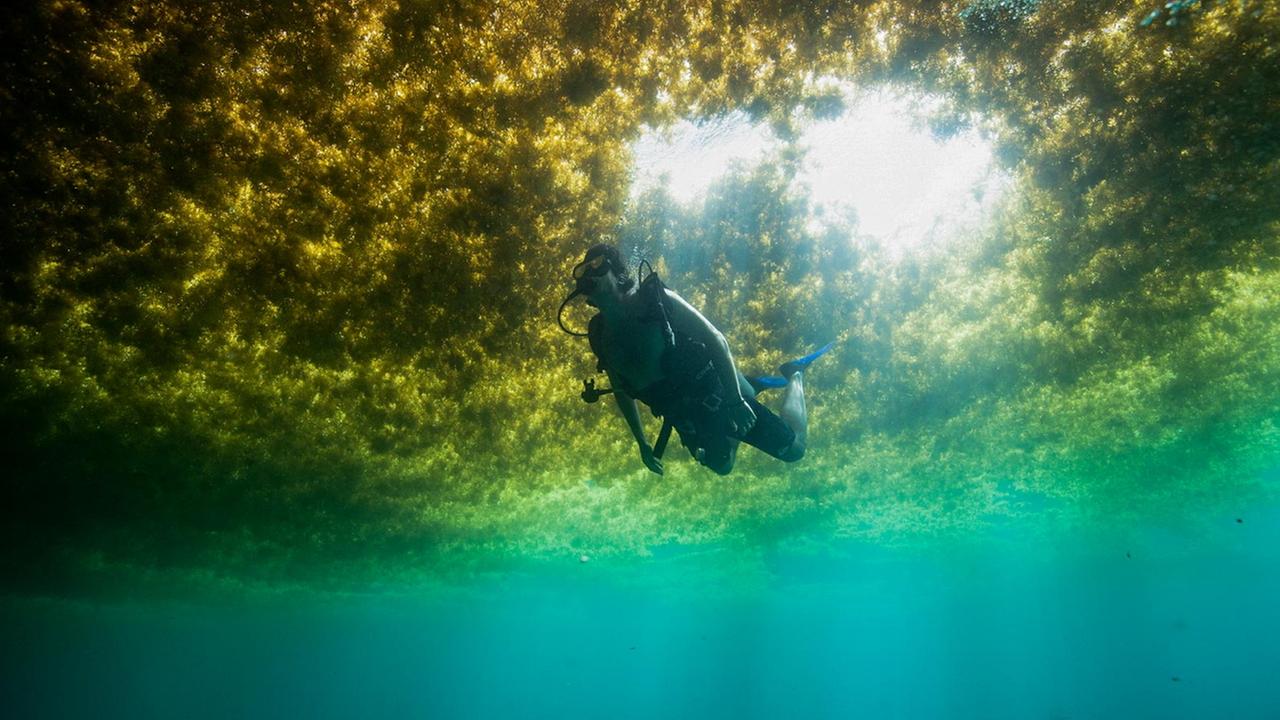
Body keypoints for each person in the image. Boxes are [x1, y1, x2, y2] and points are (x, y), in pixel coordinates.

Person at [559, 244, 824, 476]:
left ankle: (794, 374)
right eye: (583, 272)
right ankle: (747, 387)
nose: (589, 275)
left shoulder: (654, 301)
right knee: (723, 466)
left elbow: (715, 339)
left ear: (617, 272)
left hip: (717, 395)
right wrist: (641, 442)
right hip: (683, 415)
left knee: (794, 450)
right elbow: (620, 389)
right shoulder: (599, 335)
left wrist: (734, 400)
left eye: (596, 265)